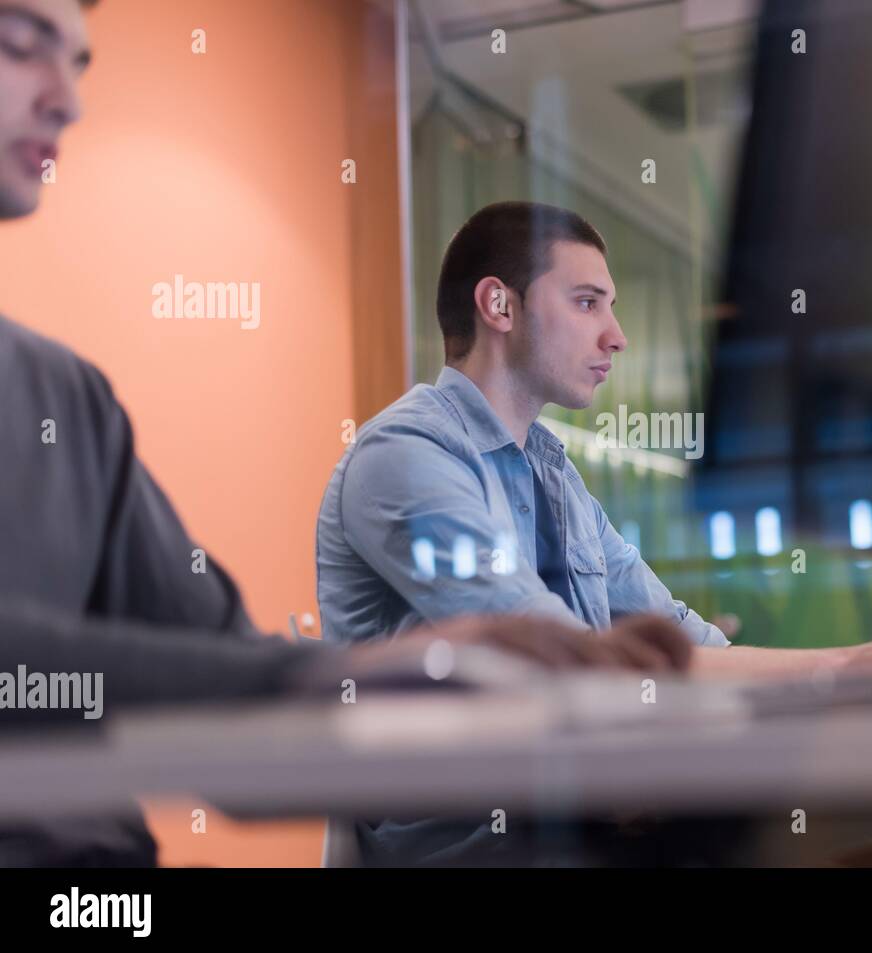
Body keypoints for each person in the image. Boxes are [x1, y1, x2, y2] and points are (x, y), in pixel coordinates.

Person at [0, 0, 691, 868]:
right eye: (20, 45)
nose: (68, 98)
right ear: (498, 306)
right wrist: (331, 679)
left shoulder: (66, 398)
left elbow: (233, 698)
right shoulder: (405, 453)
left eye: (80, 63)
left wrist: (379, 681)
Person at [314, 201, 872, 862]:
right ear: (499, 305)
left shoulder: (554, 477)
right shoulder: (402, 456)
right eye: (587, 302)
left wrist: (870, 667)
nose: (616, 335)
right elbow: (552, 656)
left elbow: (679, 638)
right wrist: (845, 666)